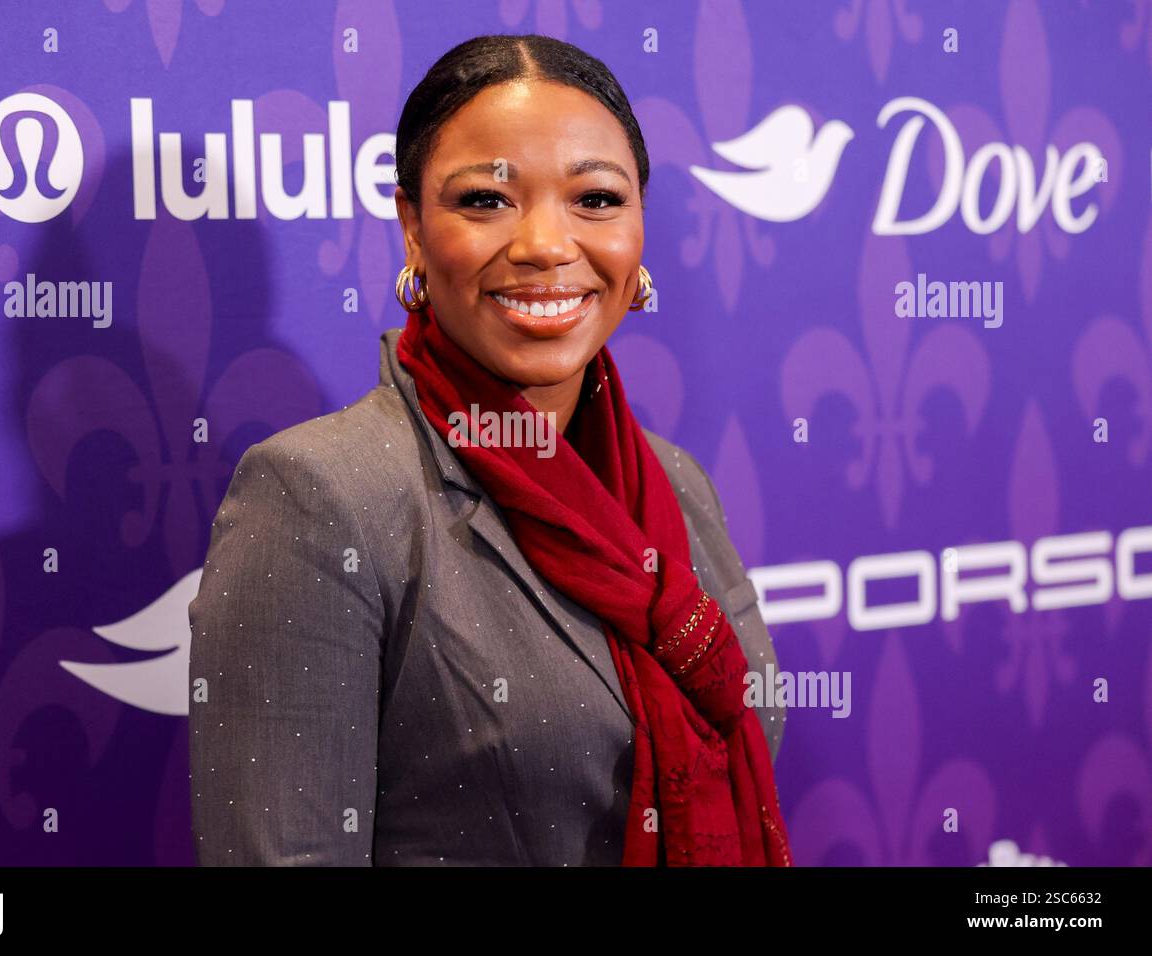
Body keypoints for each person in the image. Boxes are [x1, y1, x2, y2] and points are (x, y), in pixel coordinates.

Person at [188, 33, 791, 866]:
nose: (546, 244)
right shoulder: (320, 498)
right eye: (485, 201)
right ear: (411, 226)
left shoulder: (675, 483)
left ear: (639, 227)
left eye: (597, 200)